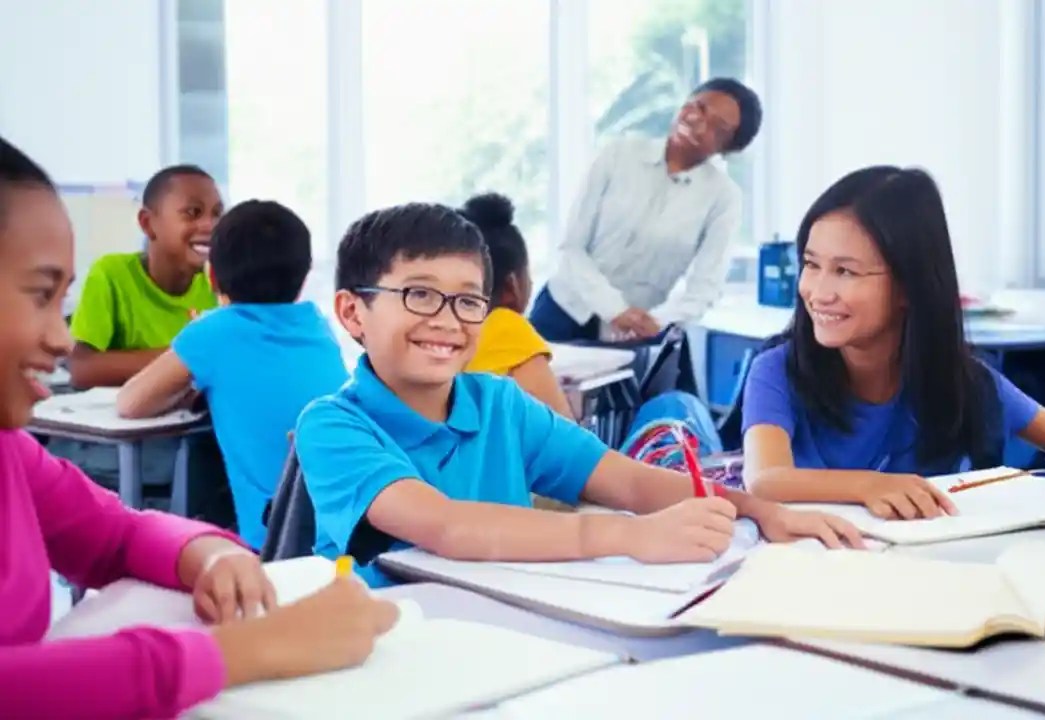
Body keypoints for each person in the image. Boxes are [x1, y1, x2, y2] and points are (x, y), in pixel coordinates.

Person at [0, 135, 398, 719]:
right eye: (41, 295)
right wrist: (254, 649)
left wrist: (208, 554)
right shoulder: (307, 324)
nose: (61, 339)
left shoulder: (11, 454)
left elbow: (117, 533)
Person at [295, 202, 863, 587]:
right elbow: (447, 526)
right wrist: (631, 535)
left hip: (512, 625)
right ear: (353, 312)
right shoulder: (335, 425)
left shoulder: (499, 404)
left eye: (468, 301)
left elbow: (629, 480)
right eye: (420, 294)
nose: (447, 319)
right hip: (393, 645)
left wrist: (760, 510)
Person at [741, 167, 1045, 518]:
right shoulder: (777, 371)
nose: (819, 292)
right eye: (811, 265)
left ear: (909, 285)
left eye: (845, 271)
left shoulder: (966, 381)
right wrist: (867, 486)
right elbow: (765, 479)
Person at [117, 200, 349, 550]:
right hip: (347, 529)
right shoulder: (318, 325)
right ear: (304, 276)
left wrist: (188, 386)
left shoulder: (213, 332)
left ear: (211, 276)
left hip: (279, 543)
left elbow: (130, 403)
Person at [531, 78, 763, 343]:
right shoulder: (618, 154)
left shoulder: (723, 197)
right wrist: (614, 309)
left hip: (635, 333)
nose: (697, 121)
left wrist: (655, 321)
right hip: (560, 310)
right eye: (698, 106)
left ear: (730, 147)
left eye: (717, 127)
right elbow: (571, 246)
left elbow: (704, 288)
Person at [68, 164, 221, 389]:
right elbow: (82, 370)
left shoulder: (220, 285)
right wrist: (188, 357)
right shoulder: (112, 274)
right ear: (148, 224)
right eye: (192, 212)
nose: (210, 225)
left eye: (217, 214)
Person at [461, 193, 572, 417]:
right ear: (512, 284)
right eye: (527, 274)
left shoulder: (449, 333)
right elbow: (565, 431)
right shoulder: (506, 325)